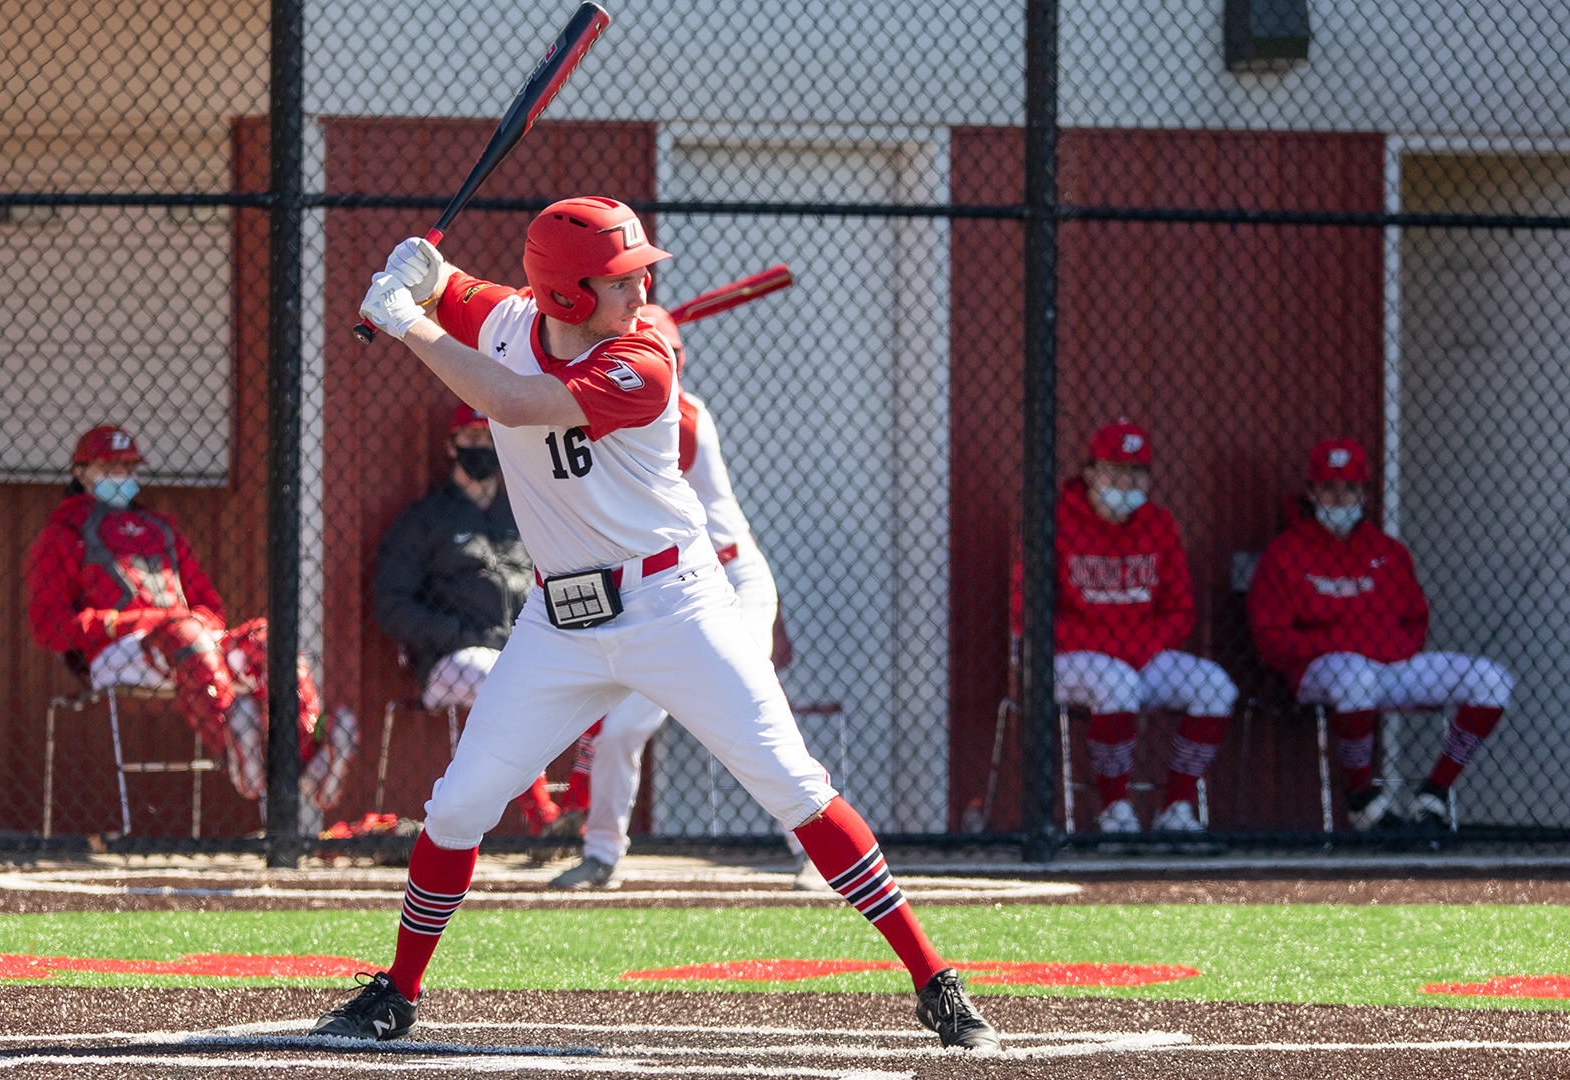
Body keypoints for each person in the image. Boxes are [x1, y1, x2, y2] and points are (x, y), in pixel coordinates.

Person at [315, 196, 998, 1050]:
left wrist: (408, 324)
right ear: (565, 296)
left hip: (675, 604)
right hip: (559, 620)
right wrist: (422, 268)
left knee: (793, 786)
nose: (643, 292)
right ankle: (396, 993)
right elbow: (461, 291)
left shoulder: (643, 364)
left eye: (643, 275)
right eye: (626, 278)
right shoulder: (505, 320)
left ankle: (934, 978)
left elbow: (518, 403)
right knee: (457, 808)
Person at [545, 304, 823, 890]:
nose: (653, 364)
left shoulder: (686, 416)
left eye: (666, 355)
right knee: (621, 729)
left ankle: (816, 850)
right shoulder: (602, 402)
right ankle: (601, 853)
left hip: (732, 581)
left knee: (750, 717)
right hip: (668, 590)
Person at [26, 425, 344, 805]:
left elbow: (209, 606)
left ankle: (305, 763)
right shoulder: (62, 533)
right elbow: (47, 628)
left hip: (188, 647)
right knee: (187, 635)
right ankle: (235, 751)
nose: (122, 477)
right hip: (114, 652)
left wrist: (199, 630)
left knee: (264, 640)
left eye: (128, 469)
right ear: (80, 472)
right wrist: (125, 622)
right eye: (109, 468)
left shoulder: (161, 529)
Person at [1249, 438, 1513, 830]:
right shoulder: (1284, 553)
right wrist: (1343, 644)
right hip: (1318, 672)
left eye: (1350, 489)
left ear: (1365, 493)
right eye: (1329, 488)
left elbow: (1415, 623)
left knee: (1492, 681)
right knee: (1355, 675)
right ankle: (1362, 800)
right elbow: (1271, 639)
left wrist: (1380, 648)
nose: (1340, 499)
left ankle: (1433, 795)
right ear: (1311, 492)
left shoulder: (1388, 551)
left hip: (1389, 665)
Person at [1013, 421, 1239, 835]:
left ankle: (1175, 809)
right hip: (1064, 660)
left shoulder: (1159, 524)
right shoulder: (1054, 521)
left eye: (1136, 473)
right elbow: (1029, 614)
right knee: (1117, 683)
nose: (1126, 482)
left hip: (1139, 655)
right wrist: (1113, 645)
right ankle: (1114, 808)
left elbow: (1180, 610)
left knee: (1216, 686)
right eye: (1115, 471)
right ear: (1091, 472)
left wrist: (1137, 646)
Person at [372, 404, 563, 834]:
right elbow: (390, 603)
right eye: (472, 440)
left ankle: (583, 817)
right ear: (451, 446)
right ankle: (542, 815)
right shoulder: (425, 520)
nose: (483, 449)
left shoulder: (521, 515)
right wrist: (454, 634)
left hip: (518, 654)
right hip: (448, 662)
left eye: (490, 440)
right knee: (494, 678)